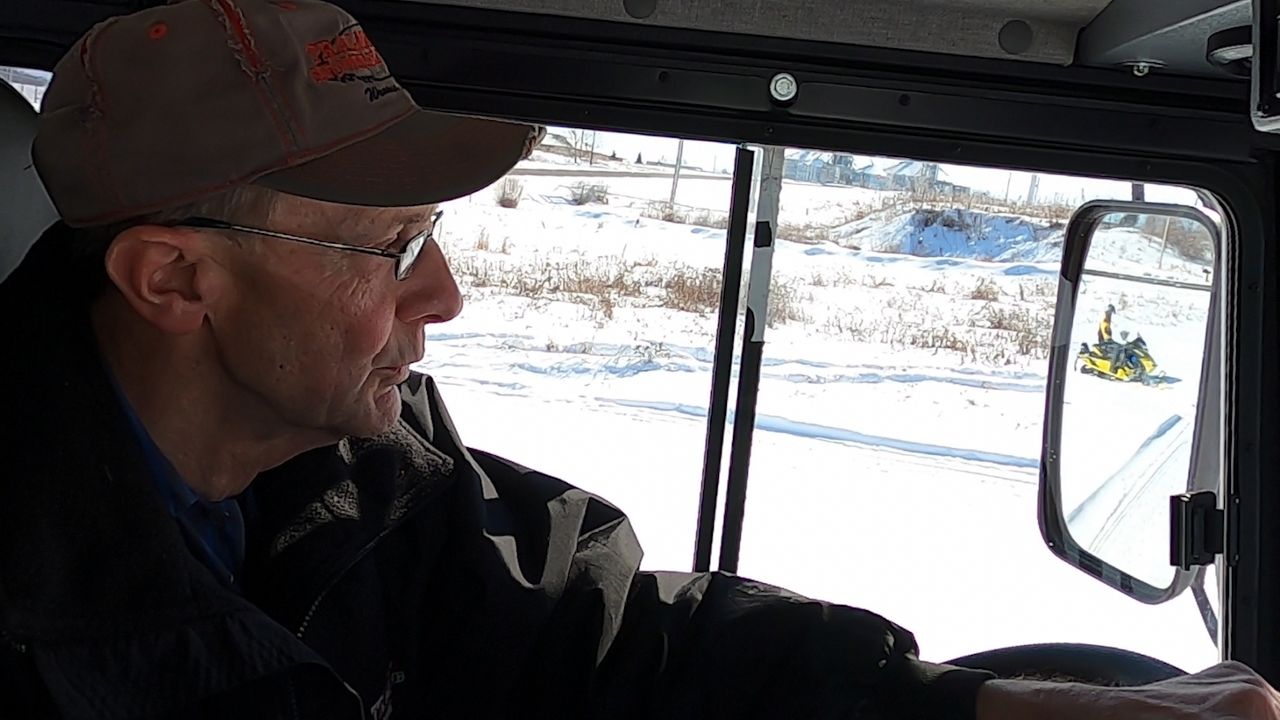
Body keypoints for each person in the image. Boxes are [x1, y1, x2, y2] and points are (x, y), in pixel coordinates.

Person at [0, 1, 1276, 718]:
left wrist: (981, 713)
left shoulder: (360, 469)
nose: (441, 296)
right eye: (387, 250)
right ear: (177, 278)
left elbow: (610, 646)